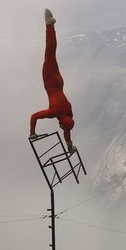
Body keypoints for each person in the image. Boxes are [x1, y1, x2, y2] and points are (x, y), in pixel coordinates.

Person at [30, 9, 75, 153]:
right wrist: (32, 132)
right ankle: (49, 25)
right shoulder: (55, 112)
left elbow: (67, 129)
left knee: (52, 52)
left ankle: (51, 26)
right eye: (61, 125)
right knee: (49, 51)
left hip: (59, 81)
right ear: (62, 122)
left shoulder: (68, 112)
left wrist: (69, 146)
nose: (60, 126)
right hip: (49, 79)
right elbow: (34, 116)